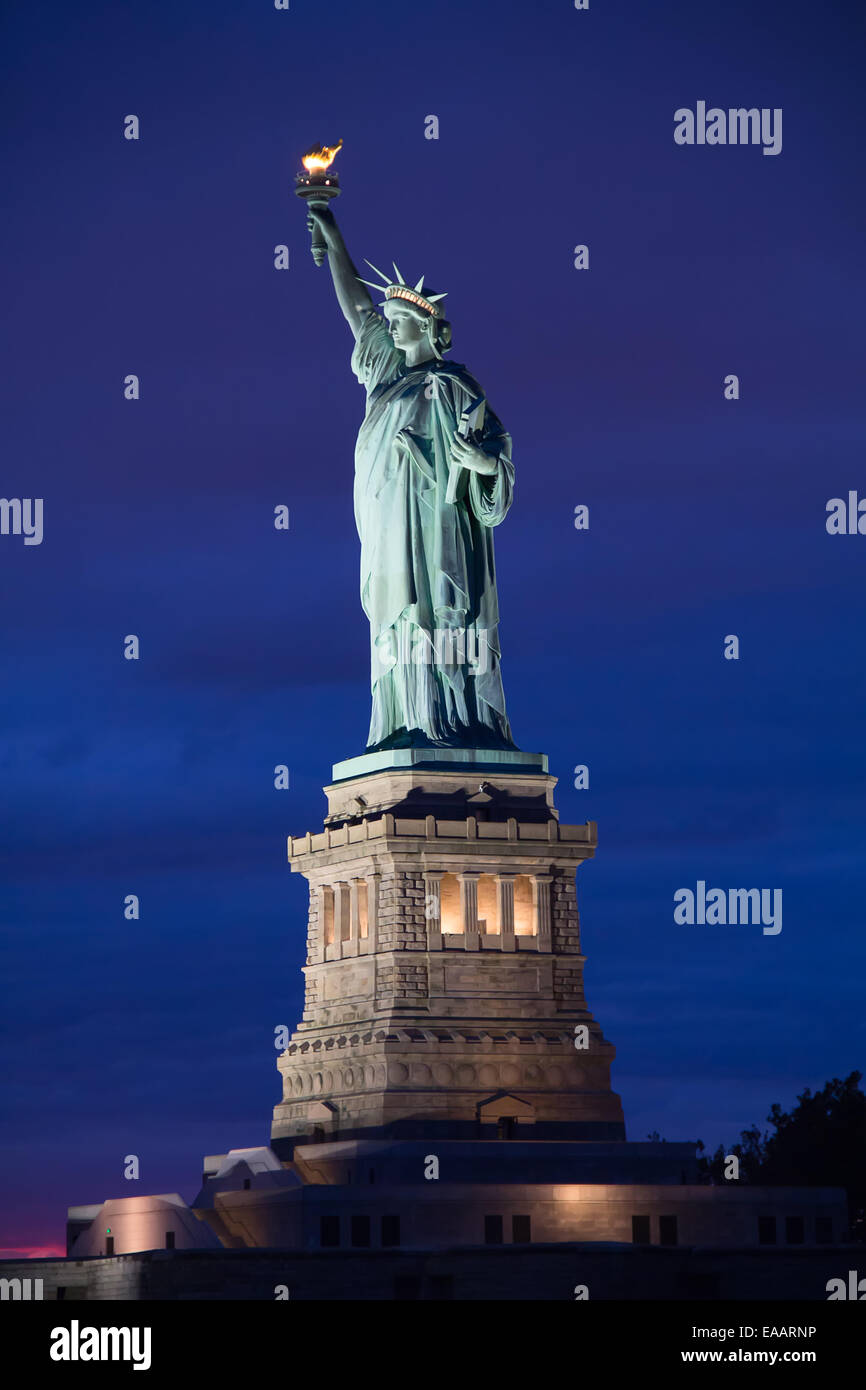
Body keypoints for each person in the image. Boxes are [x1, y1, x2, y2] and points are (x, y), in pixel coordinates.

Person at [307, 205, 518, 753]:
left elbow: (494, 452)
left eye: (397, 319)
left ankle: (453, 718)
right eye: (389, 319)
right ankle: (405, 719)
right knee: (397, 617)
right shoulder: (385, 375)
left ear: (426, 326)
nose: (387, 323)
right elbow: (356, 311)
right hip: (387, 525)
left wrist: (482, 464)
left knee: (439, 610)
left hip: (440, 526)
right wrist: (333, 240)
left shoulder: (454, 385)